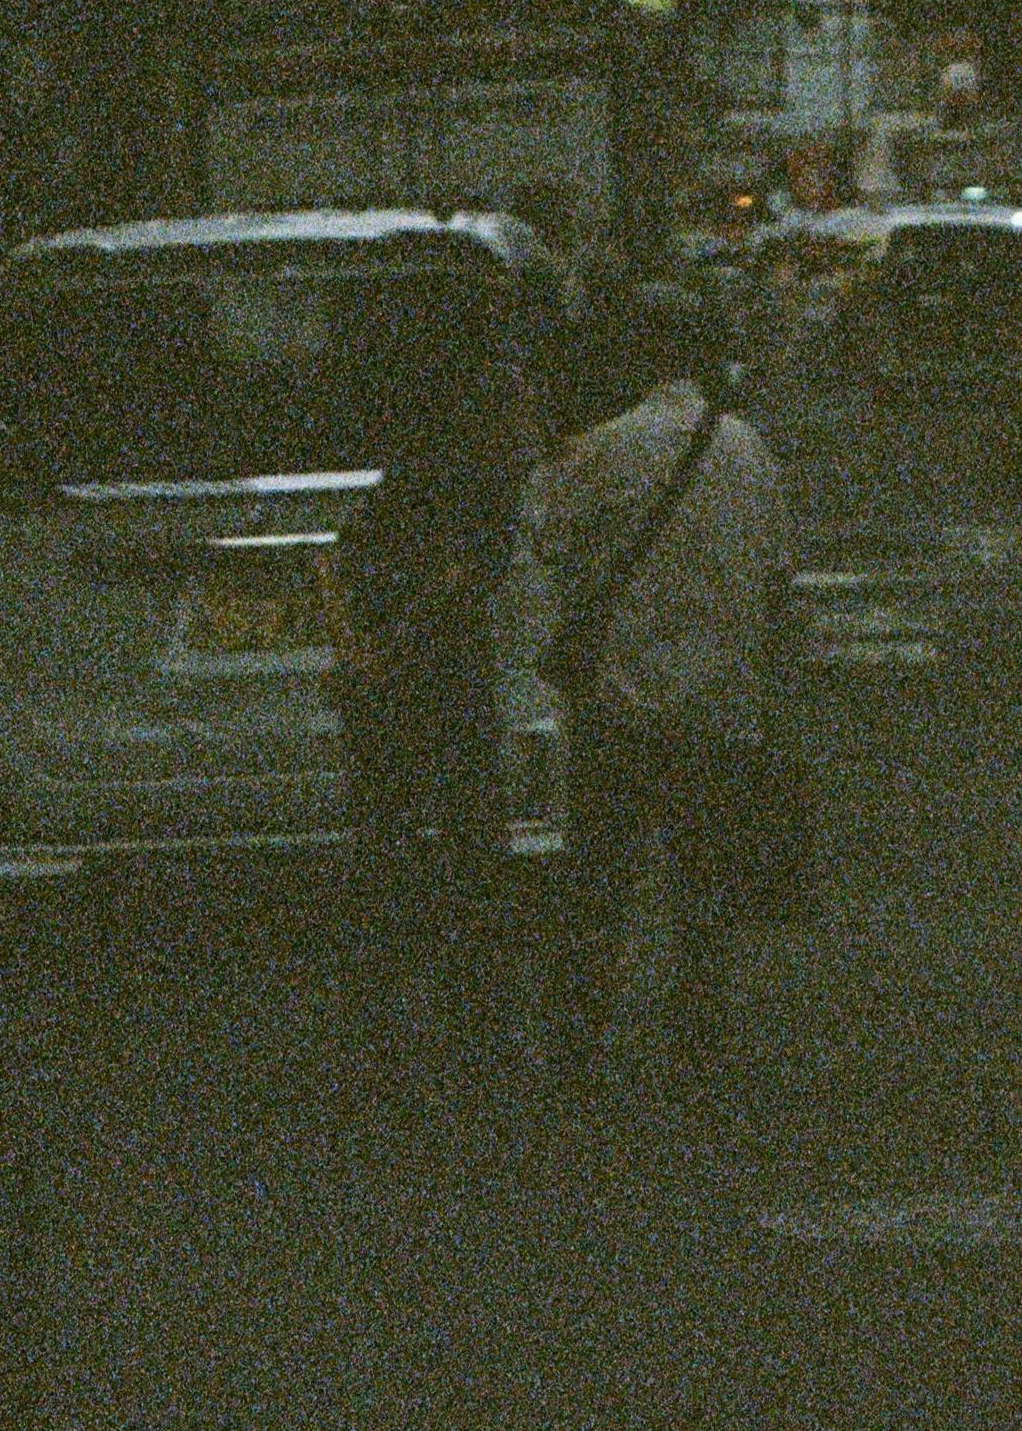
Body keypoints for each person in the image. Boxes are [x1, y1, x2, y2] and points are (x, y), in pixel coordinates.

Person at [527, 275, 794, 1090]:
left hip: (620, 701)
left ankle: (577, 1039)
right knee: (703, 888)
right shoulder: (747, 449)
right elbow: (778, 582)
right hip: (719, 705)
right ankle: (700, 1039)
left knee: (599, 880)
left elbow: (544, 537)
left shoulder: (604, 449)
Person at [328, 285, 530, 1013]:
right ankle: (469, 982)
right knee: (465, 826)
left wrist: (364, 651)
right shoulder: (467, 484)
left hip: (391, 673)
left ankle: (389, 981)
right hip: (441, 670)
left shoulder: (392, 488)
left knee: (388, 827)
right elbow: (466, 575)